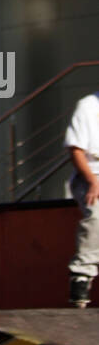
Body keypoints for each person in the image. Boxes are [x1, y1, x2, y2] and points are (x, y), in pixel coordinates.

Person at [65, 91, 99, 307]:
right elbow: (76, 149)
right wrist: (93, 181)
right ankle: (81, 276)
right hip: (91, 173)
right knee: (97, 214)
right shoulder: (87, 105)